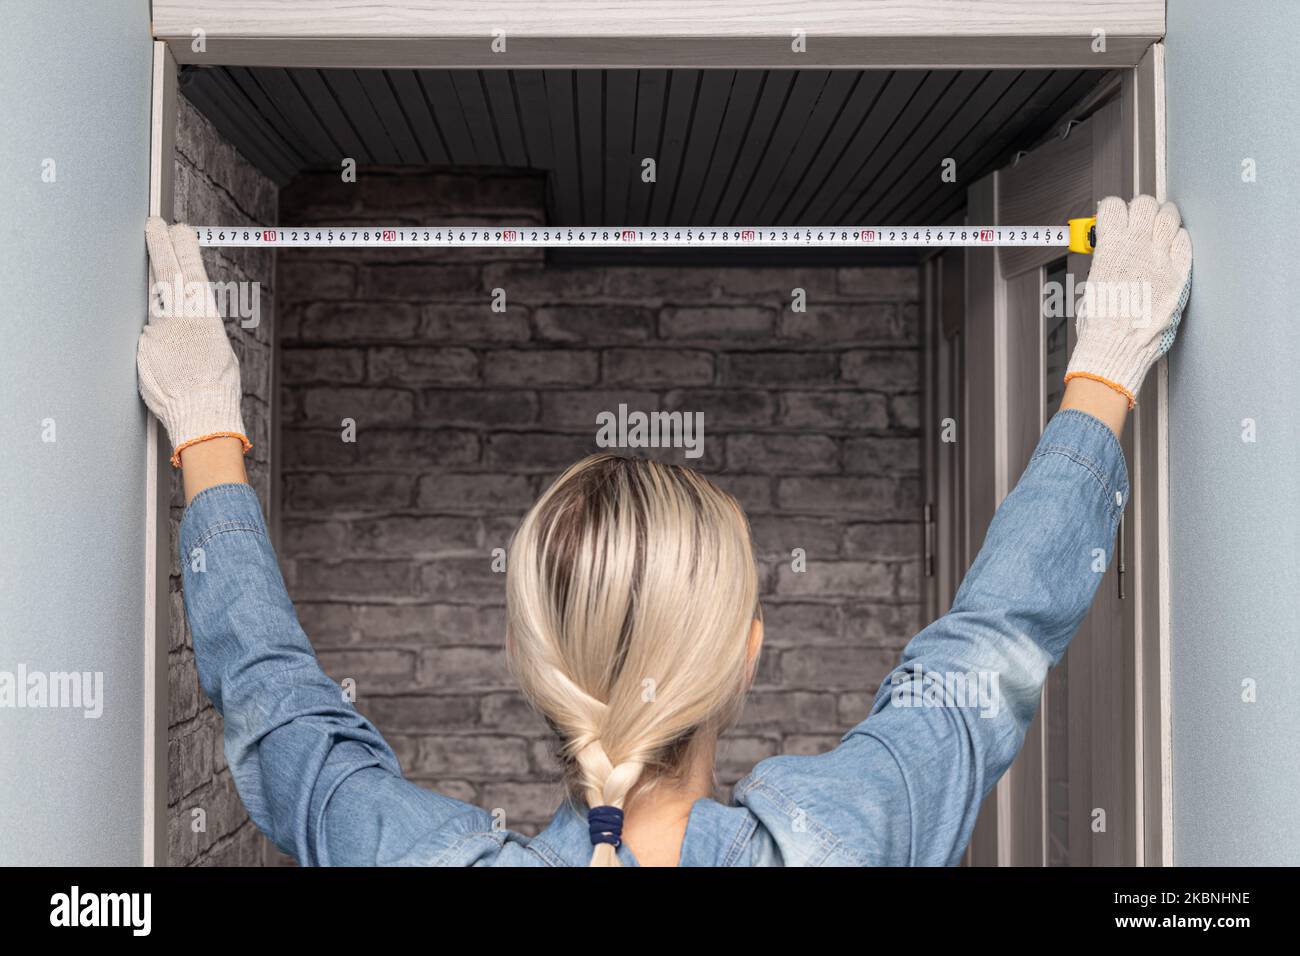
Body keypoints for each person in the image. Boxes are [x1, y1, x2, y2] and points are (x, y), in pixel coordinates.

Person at [137, 196, 1192, 866]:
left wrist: (205, 424)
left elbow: (286, 720)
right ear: (746, 655)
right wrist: (1104, 366)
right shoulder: (846, 838)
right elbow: (989, 645)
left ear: (527, 658)